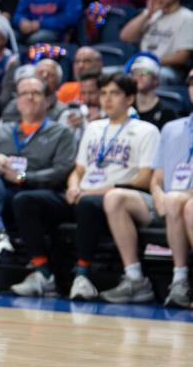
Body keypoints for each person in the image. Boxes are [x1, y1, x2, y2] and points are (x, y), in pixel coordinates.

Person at [11, 73, 160, 300]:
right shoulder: (94, 128)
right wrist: (72, 186)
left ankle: (82, 275)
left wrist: (97, 191)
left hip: (114, 198)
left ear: (130, 99)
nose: (107, 99)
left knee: (89, 204)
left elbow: (144, 179)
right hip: (82, 193)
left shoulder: (146, 130)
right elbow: (78, 170)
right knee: (26, 200)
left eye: (115, 94)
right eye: (104, 94)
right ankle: (42, 273)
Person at [0, 75, 77, 292]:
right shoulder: (3, 130)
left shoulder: (61, 132)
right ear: (17, 101)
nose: (30, 98)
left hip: (35, 195)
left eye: (36, 93)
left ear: (48, 100)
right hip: (1, 194)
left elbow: (61, 171)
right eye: (24, 94)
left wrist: (22, 177)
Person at [98, 71, 193, 306]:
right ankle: (134, 278)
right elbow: (157, 176)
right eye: (190, 82)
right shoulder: (171, 128)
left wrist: (175, 197)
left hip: (184, 202)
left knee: (184, 205)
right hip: (166, 201)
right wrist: (158, 194)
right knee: (115, 198)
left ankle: (181, 280)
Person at [119, 0, 193, 82]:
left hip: (167, 69)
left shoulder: (187, 17)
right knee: (109, 74)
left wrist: (150, 62)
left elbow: (182, 57)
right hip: (141, 66)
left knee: (146, 77)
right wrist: (149, 13)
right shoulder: (152, 13)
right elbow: (125, 37)